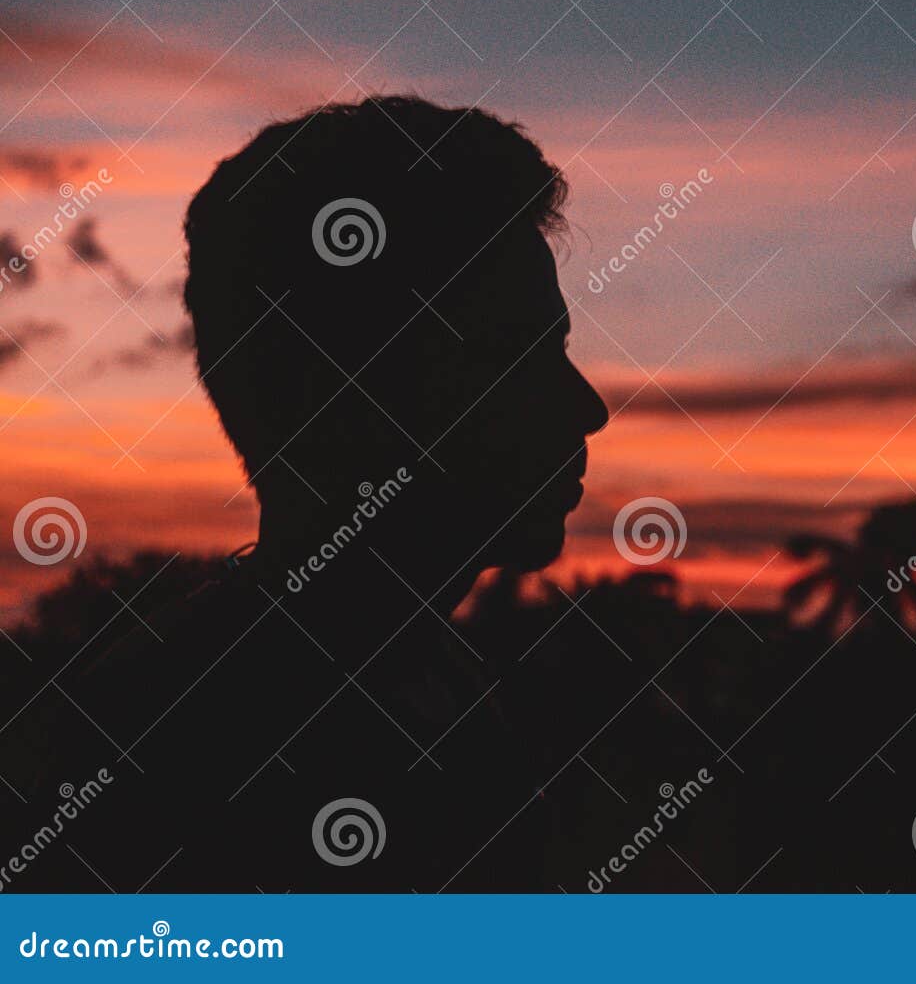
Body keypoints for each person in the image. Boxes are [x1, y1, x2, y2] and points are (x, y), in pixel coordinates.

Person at [2, 97, 607, 890]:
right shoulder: (171, 761)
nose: (587, 406)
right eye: (515, 354)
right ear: (352, 395)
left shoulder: (437, 689)